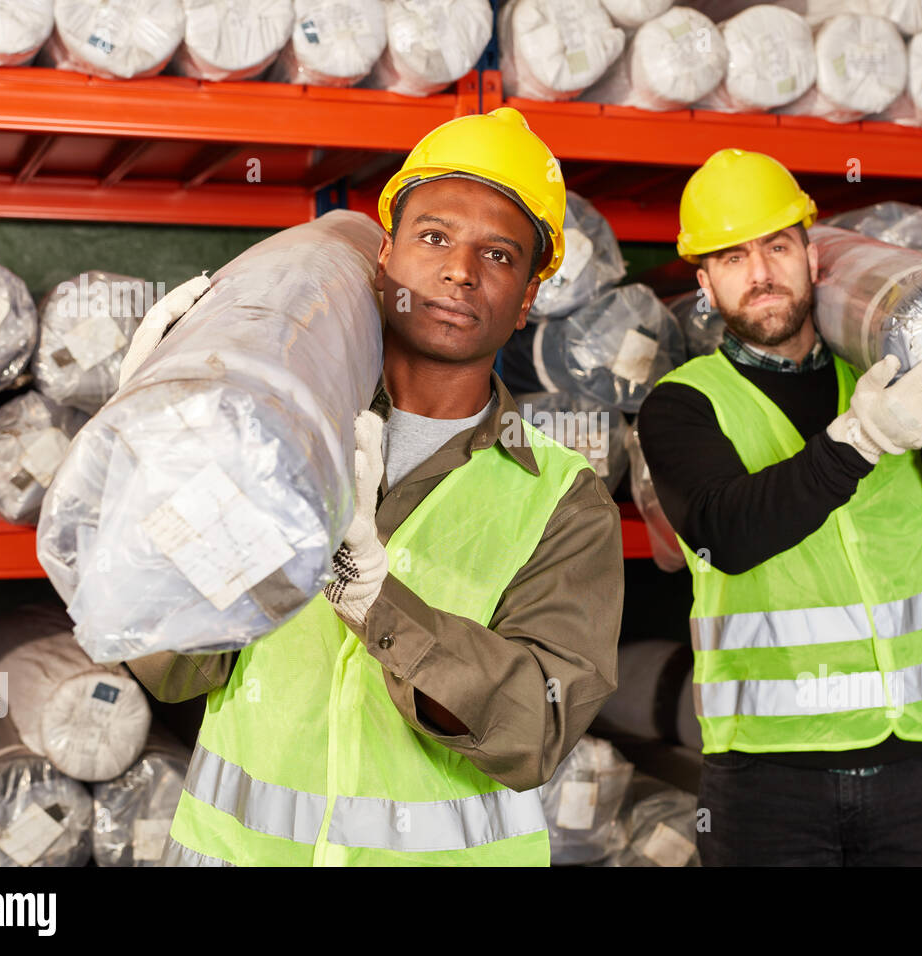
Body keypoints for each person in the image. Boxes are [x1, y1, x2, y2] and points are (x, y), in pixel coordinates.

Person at [123, 107, 624, 866]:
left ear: (526, 300)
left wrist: (375, 603)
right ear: (385, 258)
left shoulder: (561, 498)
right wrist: (165, 457)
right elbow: (172, 668)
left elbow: (538, 728)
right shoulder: (281, 441)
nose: (460, 270)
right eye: (434, 237)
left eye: (498, 255)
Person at [637, 148, 922, 866]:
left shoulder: (887, 378)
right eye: (731, 258)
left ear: (813, 258)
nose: (760, 274)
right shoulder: (683, 405)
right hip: (769, 781)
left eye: (777, 246)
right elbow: (728, 533)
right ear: (704, 284)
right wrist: (864, 438)